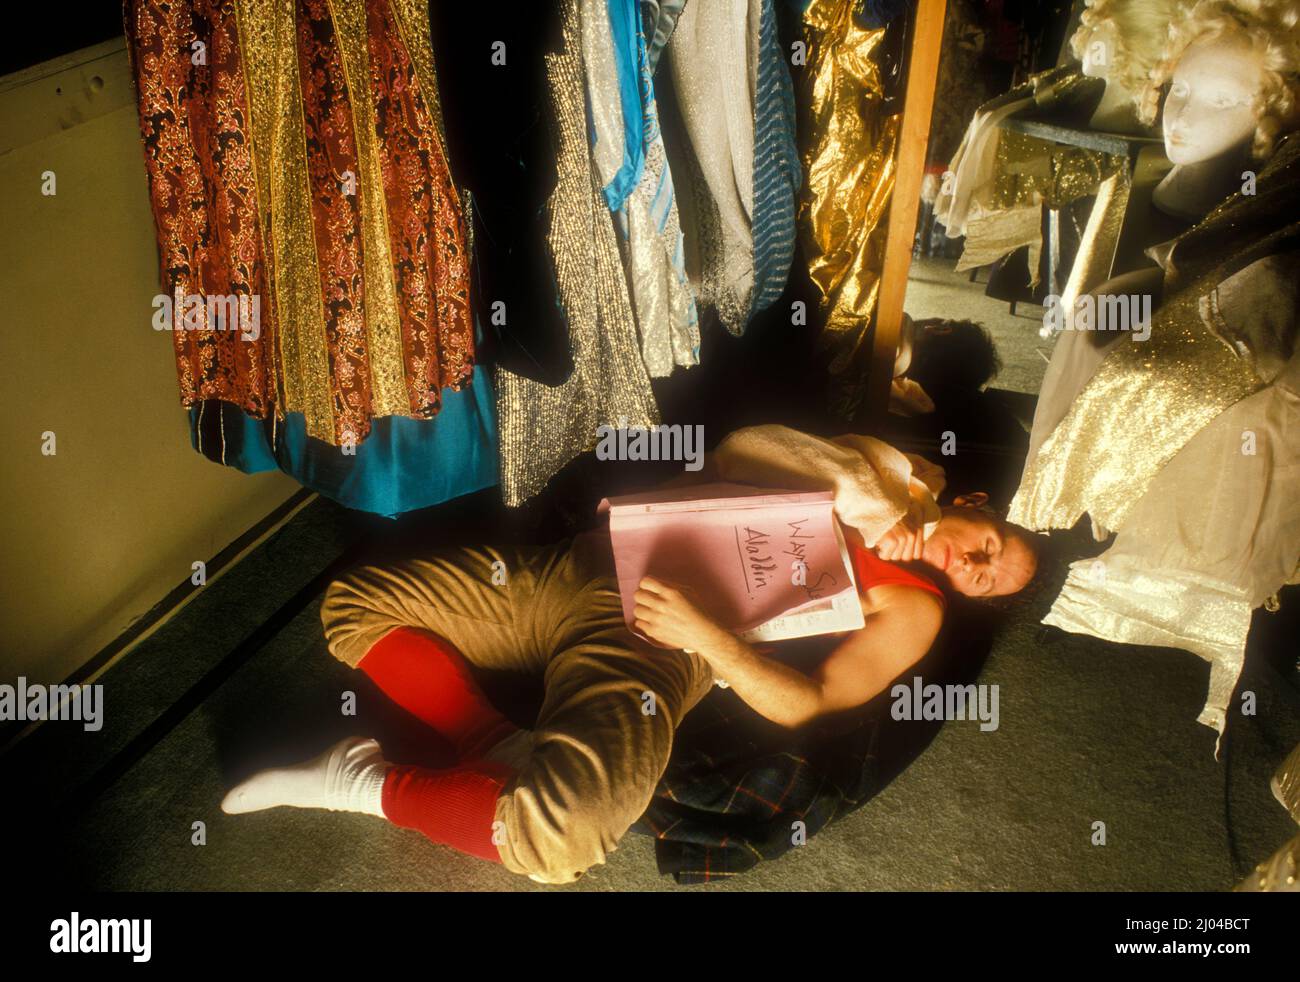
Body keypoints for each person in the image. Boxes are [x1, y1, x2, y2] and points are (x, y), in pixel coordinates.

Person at [220, 435, 1037, 884]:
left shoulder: (916, 608)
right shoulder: (891, 471)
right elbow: (744, 449)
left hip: (656, 642)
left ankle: (355, 781)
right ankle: (488, 744)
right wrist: (871, 501)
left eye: (987, 583)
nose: (974, 568)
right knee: (352, 605)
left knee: (558, 844)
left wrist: (705, 638)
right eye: (989, 547)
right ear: (973, 507)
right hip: (583, 564)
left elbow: (808, 703)